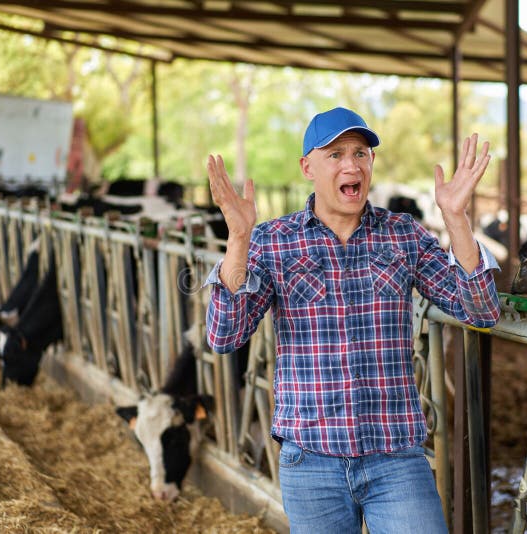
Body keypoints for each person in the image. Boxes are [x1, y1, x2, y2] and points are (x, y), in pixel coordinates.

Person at [204, 106, 500, 533]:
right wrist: (237, 239)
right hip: (311, 460)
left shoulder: (403, 234)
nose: (352, 165)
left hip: (396, 457)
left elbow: (481, 311)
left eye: (361, 153)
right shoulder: (272, 240)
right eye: (336, 154)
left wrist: (456, 217)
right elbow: (224, 336)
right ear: (308, 167)